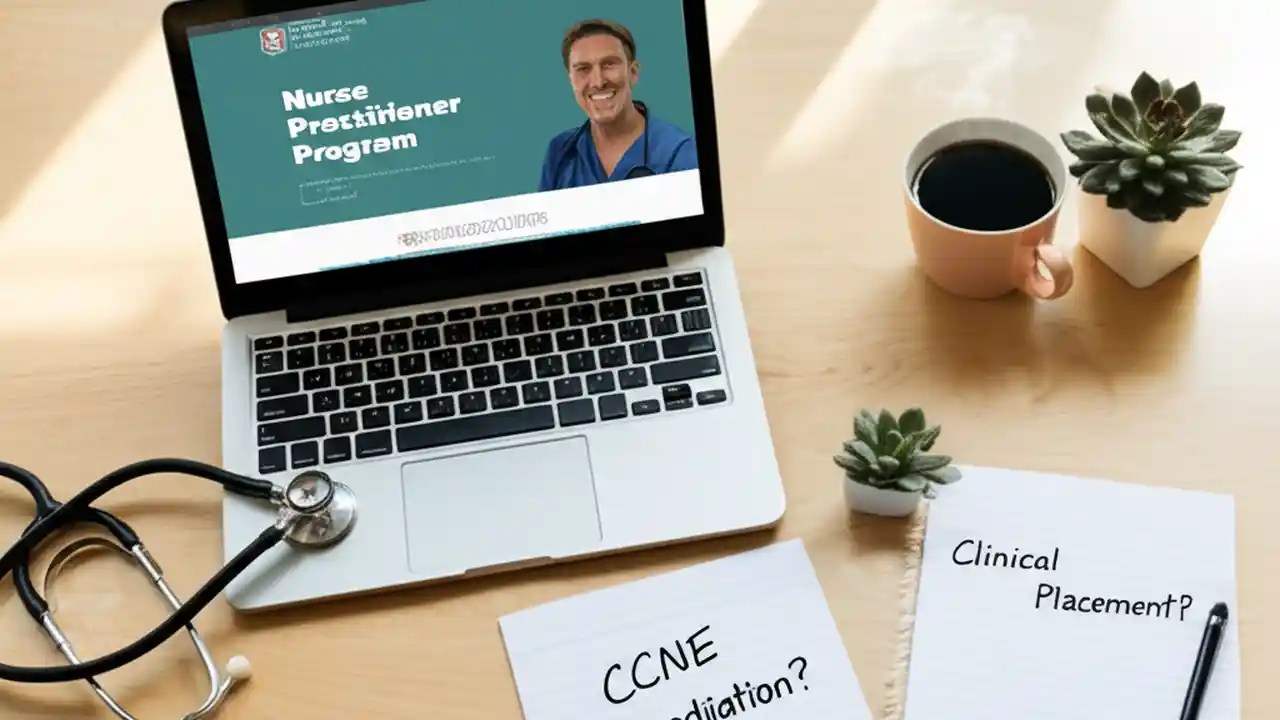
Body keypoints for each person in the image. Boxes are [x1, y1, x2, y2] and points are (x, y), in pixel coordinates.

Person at [538, 19, 698, 192]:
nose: (598, 82)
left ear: (633, 73)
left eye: (609, 64)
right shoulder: (561, 152)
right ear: (571, 80)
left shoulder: (679, 152)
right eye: (583, 68)